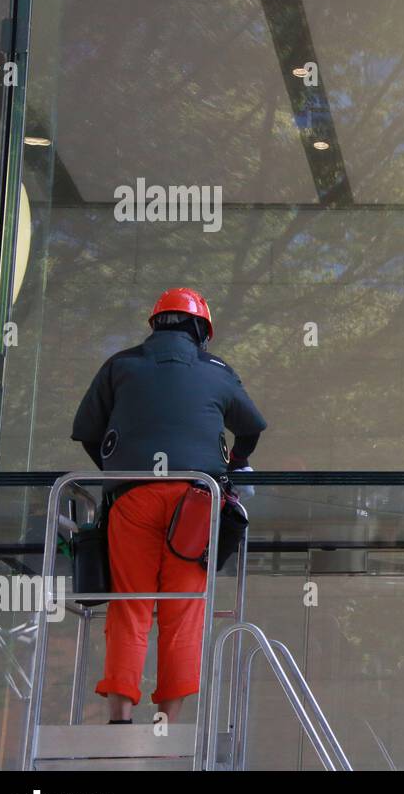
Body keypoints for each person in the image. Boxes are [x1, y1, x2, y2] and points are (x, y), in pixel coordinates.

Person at [71, 288, 266, 725]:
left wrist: (114, 468)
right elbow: (252, 426)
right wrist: (237, 463)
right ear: (201, 330)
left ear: (156, 324)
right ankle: (168, 723)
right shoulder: (217, 370)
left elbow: (86, 430)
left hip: (133, 496)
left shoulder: (121, 364)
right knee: (183, 606)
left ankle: (119, 715)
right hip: (196, 501)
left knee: (132, 603)